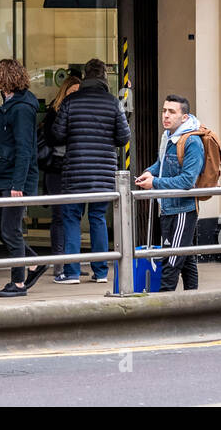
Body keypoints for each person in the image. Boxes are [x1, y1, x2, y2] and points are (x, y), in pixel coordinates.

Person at [51, 57, 131, 284]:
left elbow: (56, 134)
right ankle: (101, 272)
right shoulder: (113, 102)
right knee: (97, 218)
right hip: (103, 173)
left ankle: (72, 273)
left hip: (75, 171)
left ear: (85, 76)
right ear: (104, 76)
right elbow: (124, 136)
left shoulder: (71, 101)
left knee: (71, 219)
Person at [0, 58, 46, 297]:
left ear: (5, 78)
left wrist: (18, 185)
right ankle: (34, 262)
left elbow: (24, 149)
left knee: (10, 229)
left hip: (14, 180)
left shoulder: (21, 108)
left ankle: (18, 283)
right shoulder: (10, 102)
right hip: (2, 177)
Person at [135, 95, 203, 291]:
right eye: (164, 111)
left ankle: (164, 306)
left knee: (172, 261)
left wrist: (154, 183)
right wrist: (149, 171)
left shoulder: (192, 142)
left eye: (171, 112)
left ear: (184, 117)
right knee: (186, 259)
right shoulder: (167, 136)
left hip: (183, 209)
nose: (165, 115)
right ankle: (195, 304)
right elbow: (162, 164)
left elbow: (187, 180)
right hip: (166, 207)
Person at [39, 75, 80, 276]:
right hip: (56, 169)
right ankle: (59, 262)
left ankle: (72, 262)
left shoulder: (80, 113)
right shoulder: (54, 112)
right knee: (59, 216)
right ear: (64, 91)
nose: (75, 96)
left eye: (78, 93)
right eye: (72, 92)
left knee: (73, 216)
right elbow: (51, 137)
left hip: (74, 169)